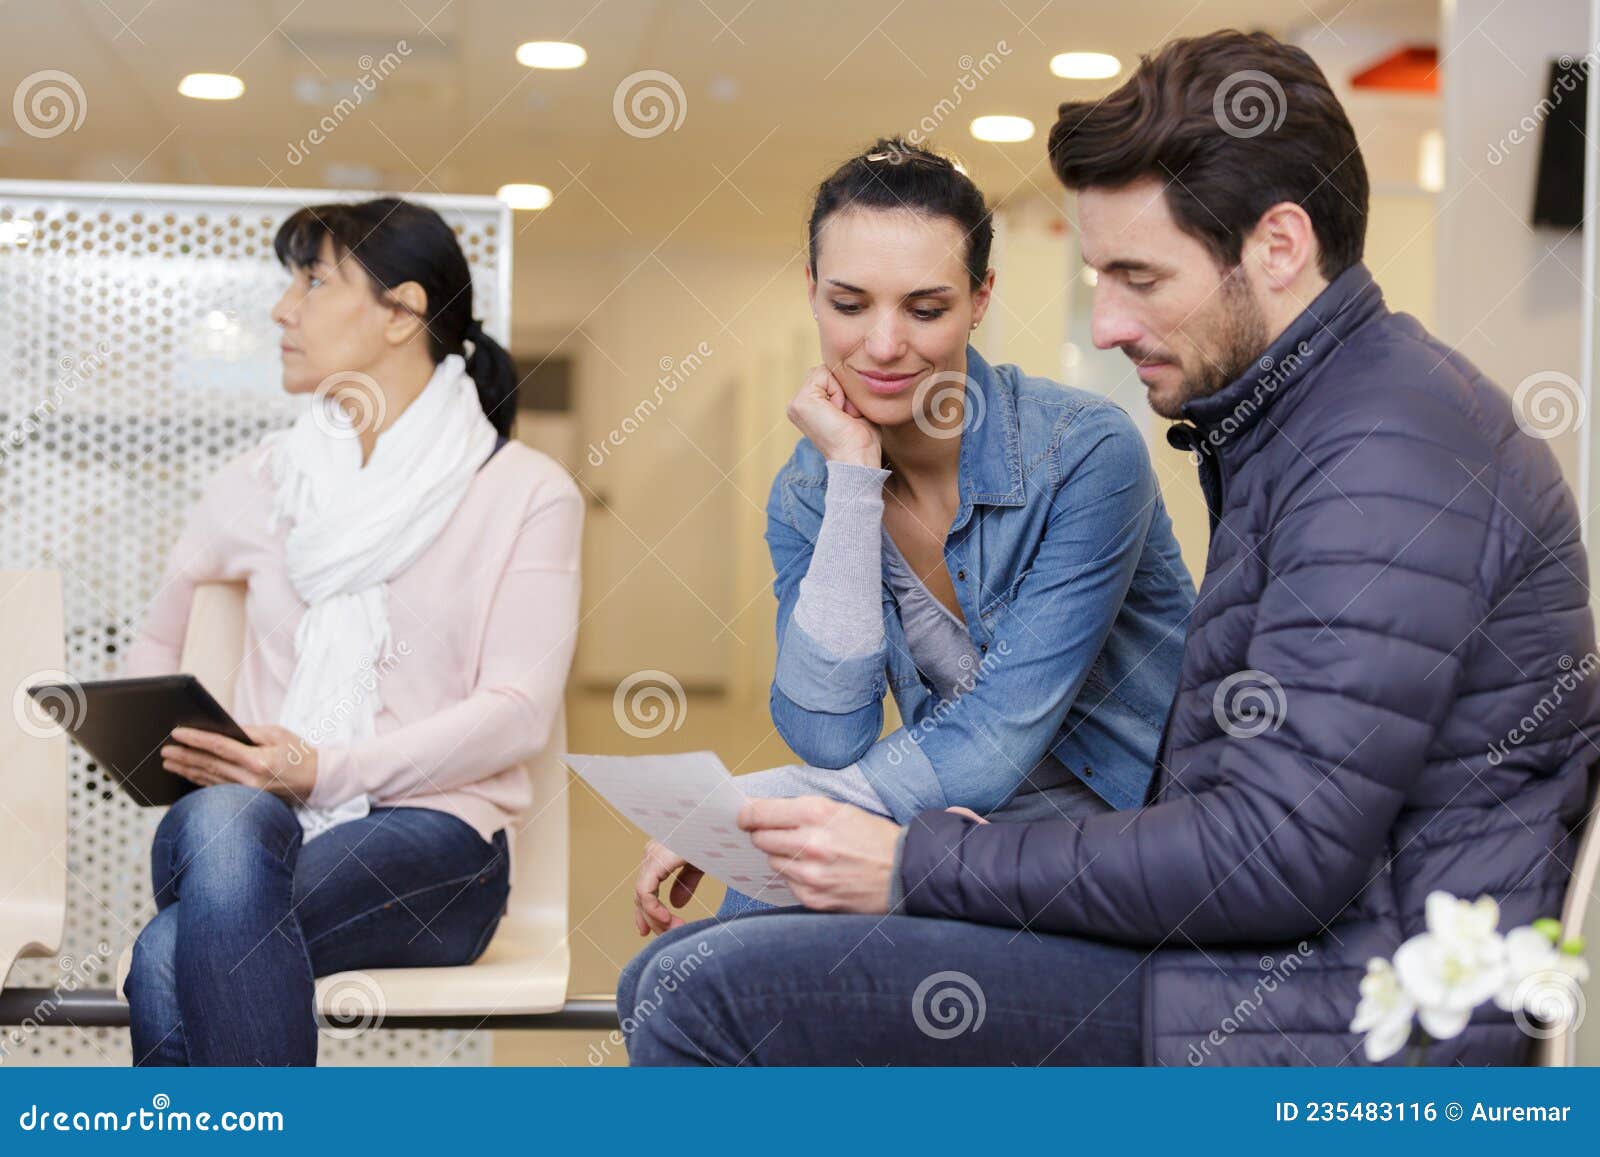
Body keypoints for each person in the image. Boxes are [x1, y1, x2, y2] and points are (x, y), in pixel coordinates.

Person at [620, 31, 1600, 1066]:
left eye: (1137, 275)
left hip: (1358, 1016)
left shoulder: (1383, 454)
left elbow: (1272, 852)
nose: (1106, 320)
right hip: (1272, 961)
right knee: (677, 969)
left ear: (1276, 246)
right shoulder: (1314, 424)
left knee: (703, 991)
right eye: (1100, 275)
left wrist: (922, 859)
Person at [628, 139, 1194, 947]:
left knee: (747, 949)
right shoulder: (809, 485)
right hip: (961, 815)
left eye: (926, 309)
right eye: (849, 305)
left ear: (980, 298)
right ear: (813, 294)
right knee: (698, 955)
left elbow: (997, 739)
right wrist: (855, 482)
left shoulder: (1085, 452)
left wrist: (749, 806)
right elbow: (829, 733)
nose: (884, 346)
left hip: (1127, 828)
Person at [121, 197, 583, 1066]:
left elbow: (518, 710)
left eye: (313, 279)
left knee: (166, 949)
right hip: (249, 826)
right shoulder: (258, 482)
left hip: (439, 843)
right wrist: (173, 748)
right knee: (226, 817)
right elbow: (156, 651)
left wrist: (324, 768)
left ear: (403, 311)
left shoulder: (523, 490)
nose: (281, 309)